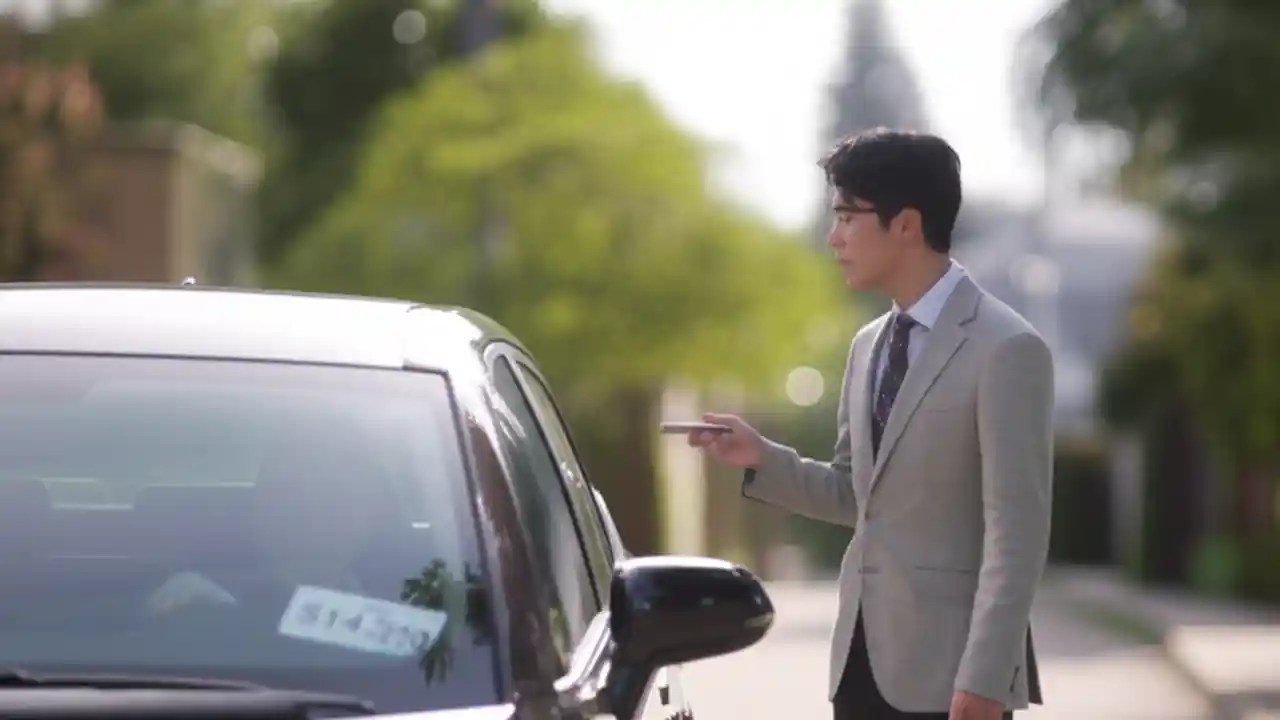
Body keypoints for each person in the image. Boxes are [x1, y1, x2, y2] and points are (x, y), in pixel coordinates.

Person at [689, 128, 1052, 720]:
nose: (834, 238)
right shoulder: (868, 346)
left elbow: (1018, 533)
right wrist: (762, 458)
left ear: (906, 224)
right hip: (860, 667)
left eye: (848, 217)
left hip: (952, 678)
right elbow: (858, 494)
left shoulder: (1007, 347)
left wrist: (985, 677)